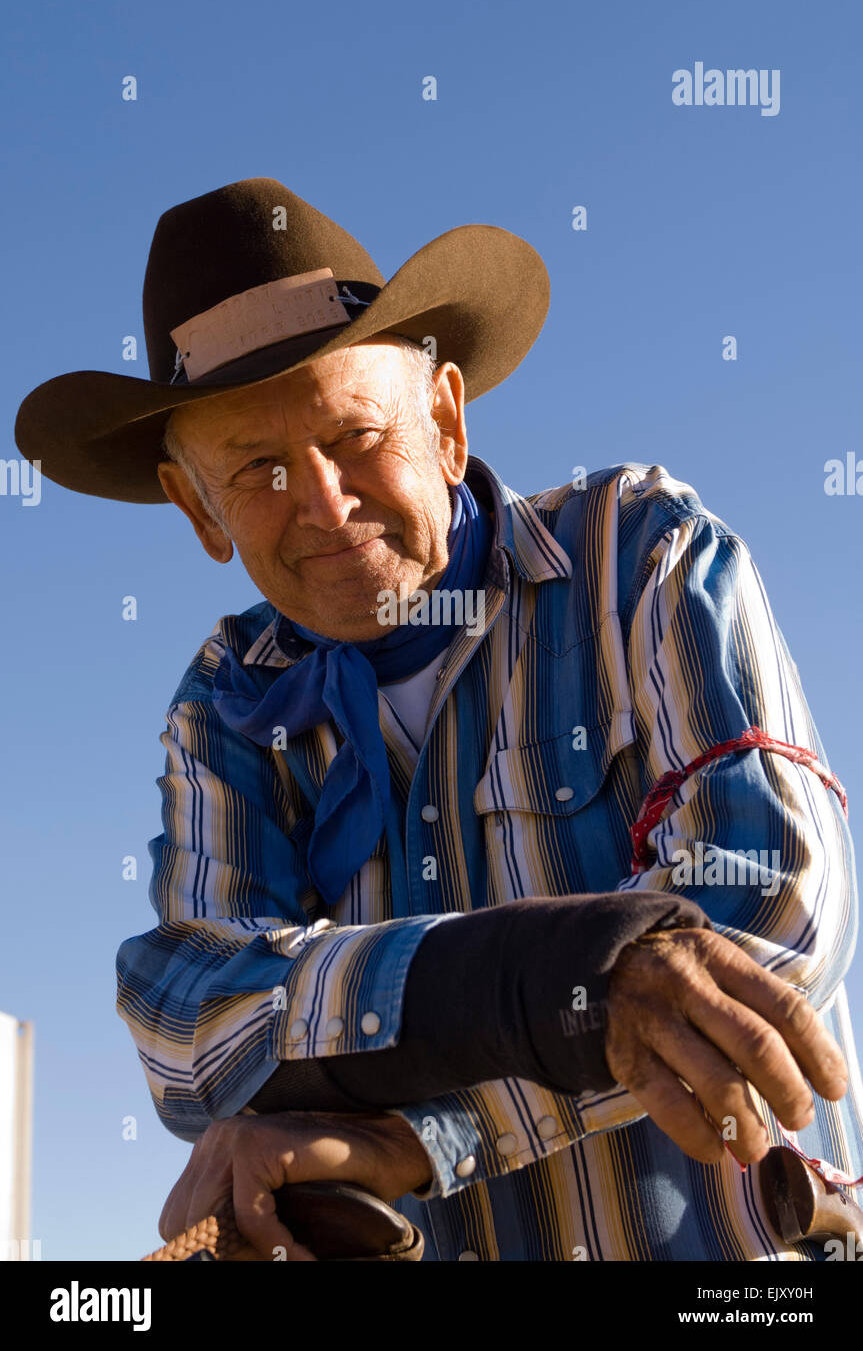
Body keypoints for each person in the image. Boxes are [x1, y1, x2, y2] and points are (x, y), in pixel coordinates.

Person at [16, 177, 861, 1262]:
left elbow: (768, 914)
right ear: (198, 510)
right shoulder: (225, 703)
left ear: (446, 420)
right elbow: (193, 1025)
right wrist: (564, 979)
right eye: (258, 470)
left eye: (354, 435)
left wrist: (422, 1137)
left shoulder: (638, 554)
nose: (323, 502)